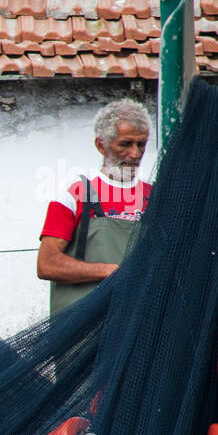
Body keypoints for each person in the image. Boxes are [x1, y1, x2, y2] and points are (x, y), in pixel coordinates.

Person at [37, 99, 152, 315]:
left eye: (141, 144)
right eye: (125, 144)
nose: (135, 154)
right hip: (81, 325)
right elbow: (47, 264)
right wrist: (108, 271)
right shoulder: (74, 193)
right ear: (101, 145)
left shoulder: (154, 196)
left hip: (135, 320)